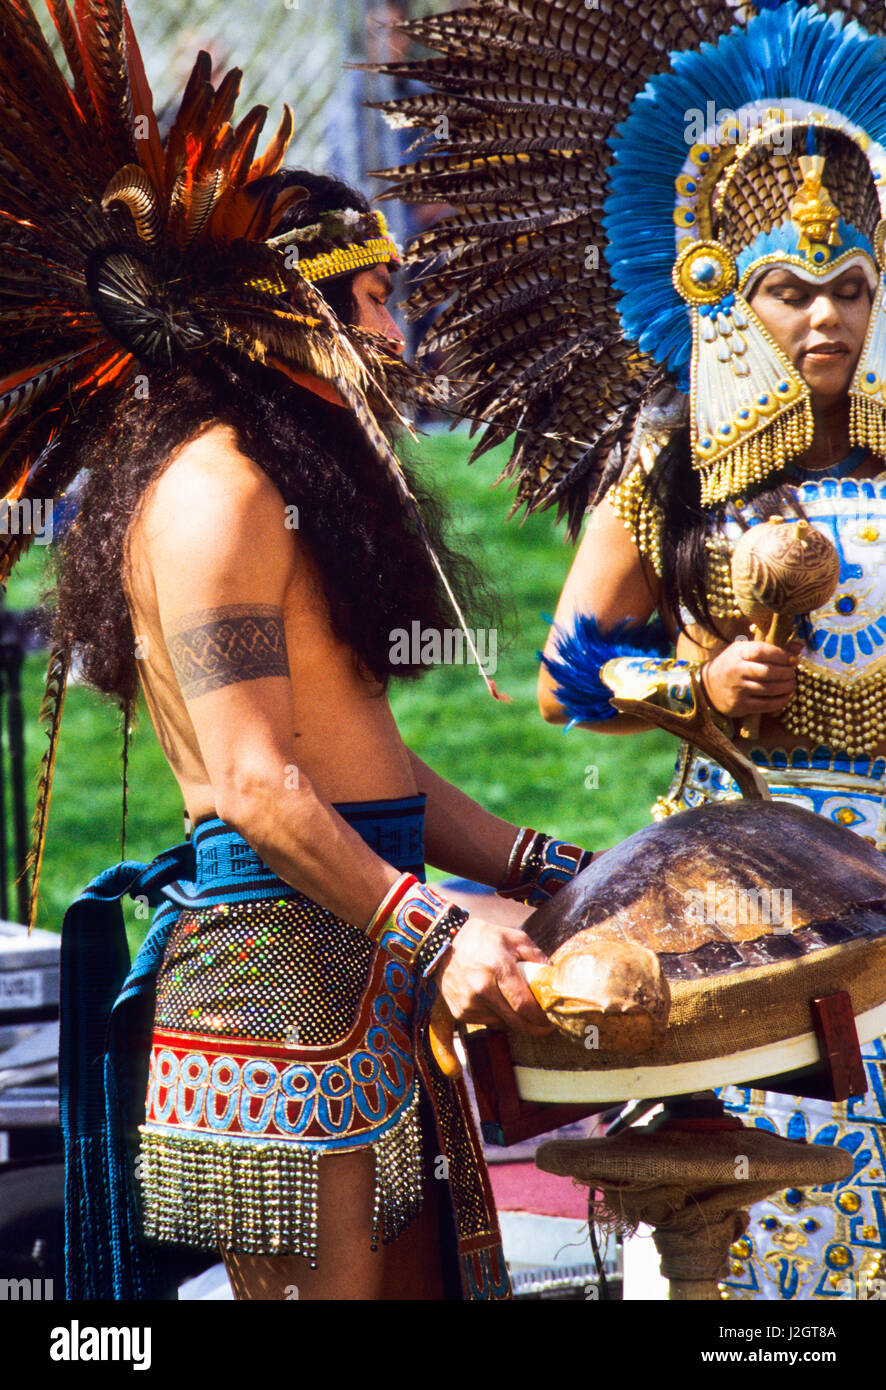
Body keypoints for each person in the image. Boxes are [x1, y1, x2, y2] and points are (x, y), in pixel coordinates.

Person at [0, 3, 594, 1301]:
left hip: (362, 957)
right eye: (365, 300)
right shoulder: (215, 493)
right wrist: (437, 926)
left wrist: (556, 865)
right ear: (279, 316)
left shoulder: (285, 480)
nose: (391, 333)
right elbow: (263, 789)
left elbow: (364, 762)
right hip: (276, 990)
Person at [366, 0, 886, 1300]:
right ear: (722, 289)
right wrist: (693, 686)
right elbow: (566, 671)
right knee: (766, 1213)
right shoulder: (668, 455)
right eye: (787, 289)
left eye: (852, 288)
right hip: (753, 882)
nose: (823, 320)